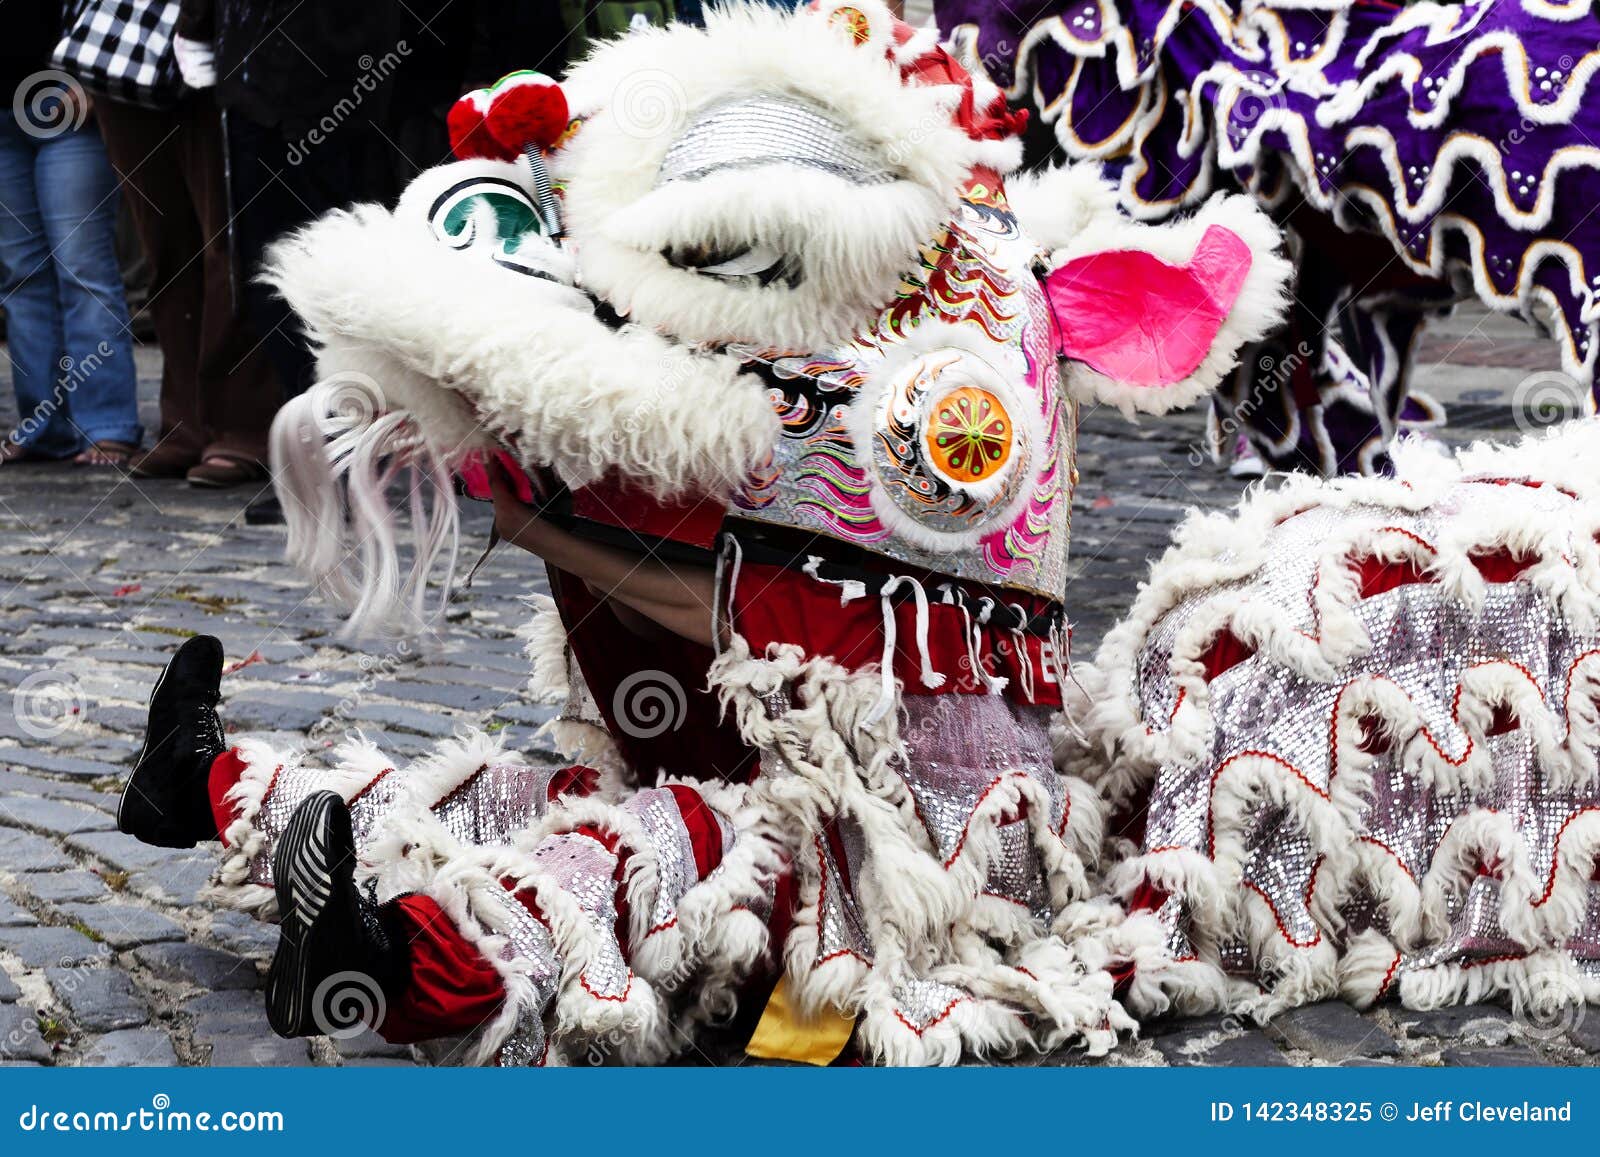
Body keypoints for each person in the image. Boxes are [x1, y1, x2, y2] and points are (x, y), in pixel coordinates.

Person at [114, 1, 1287, 1063]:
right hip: (780, 770)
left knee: (651, 847)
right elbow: (735, 589)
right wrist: (529, 502)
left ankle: (413, 973)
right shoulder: (827, 405)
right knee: (525, 800)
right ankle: (209, 783)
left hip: (888, 861)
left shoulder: (952, 415)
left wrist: (535, 527)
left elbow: (782, 627)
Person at [92, 48, 283, 486]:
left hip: (221, 55)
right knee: (166, 250)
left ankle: (242, 426)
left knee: (227, 247)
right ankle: (185, 423)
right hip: (126, 48)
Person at [0, 4, 142, 467]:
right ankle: (44, 426)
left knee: (82, 268)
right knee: (21, 277)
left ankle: (107, 425)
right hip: (2, 109)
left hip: (66, 96)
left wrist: (97, 80)